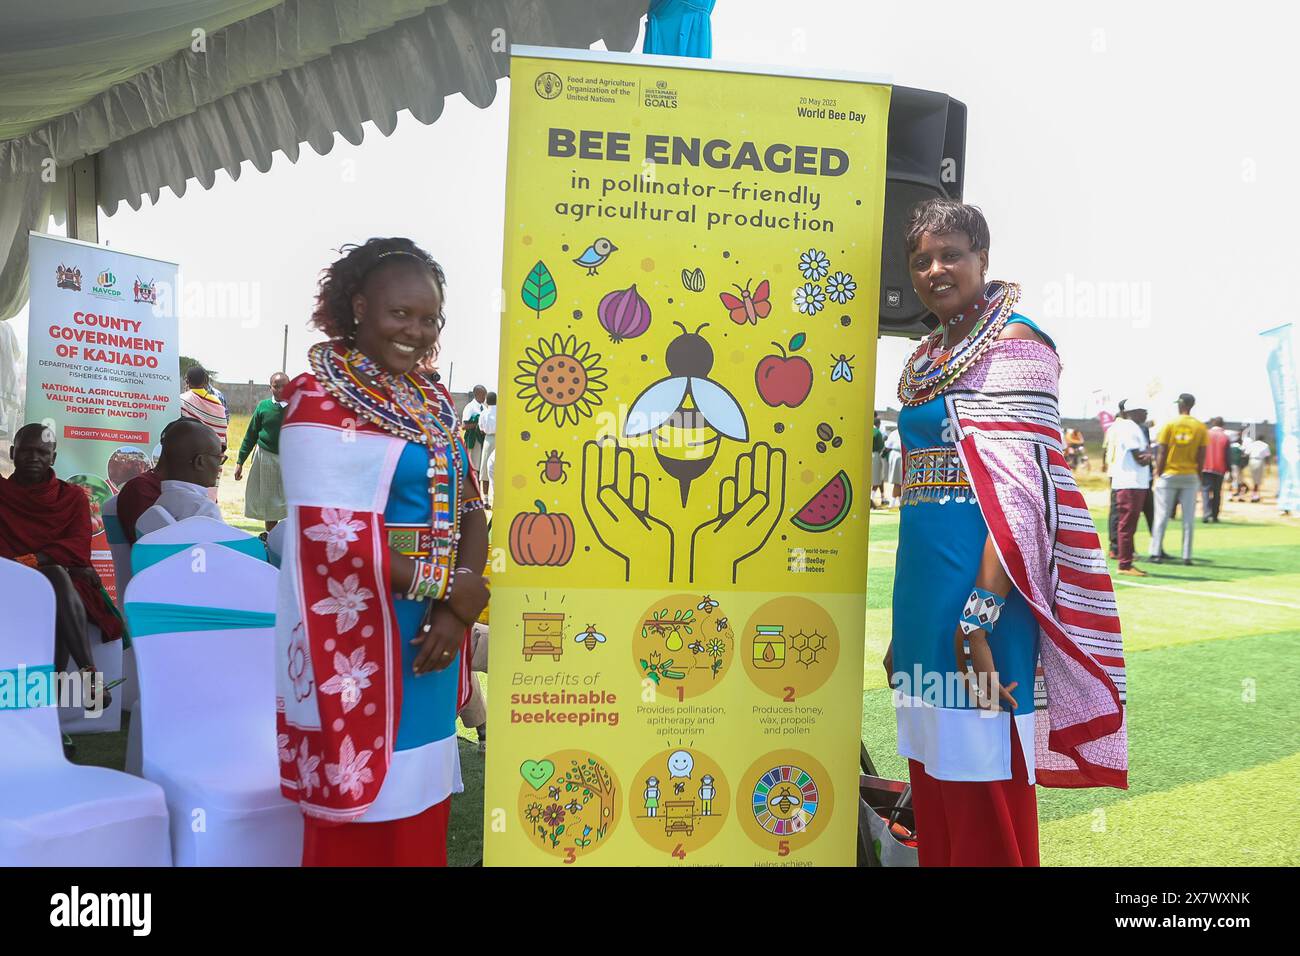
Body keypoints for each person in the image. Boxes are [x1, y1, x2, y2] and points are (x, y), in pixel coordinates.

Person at [883, 200, 1127, 867]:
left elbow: (1024, 504)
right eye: (922, 259)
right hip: (924, 605)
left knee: (985, 788)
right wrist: (903, 631)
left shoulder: (1019, 345)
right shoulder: (931, 353)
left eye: (951, 254)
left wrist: (977, 621)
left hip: (982, 609)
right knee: (935, 785)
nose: (935, 269)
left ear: (983, 259)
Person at [276, 237, 489, 867]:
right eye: (401, 314)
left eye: (430, 320)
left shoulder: (431, 401)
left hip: (429, 634)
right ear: (360, 306)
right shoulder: (316, 398)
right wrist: (448, 588)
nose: (417, 332)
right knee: (360, 817)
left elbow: (472, 505)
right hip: (355, 632)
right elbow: (328, 532)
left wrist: (458, 607)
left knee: (418, 809)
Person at [0, 423, 123, 701]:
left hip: (60, 580)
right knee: (57, 577)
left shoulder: (72, 497)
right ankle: (87, 678)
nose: (34, 458)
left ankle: (53, 709)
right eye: (26, 451)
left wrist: (35, 559)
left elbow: (78, 546)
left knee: (55, 582)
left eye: (42, 452)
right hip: (8, 576)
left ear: (53, 458)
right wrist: (29, 562)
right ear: (12, 453)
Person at [133, 419, 225, 538]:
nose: (220, 466)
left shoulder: (162, 503)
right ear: (200, 462)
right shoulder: (204, 510)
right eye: (219, 458)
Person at [1149, 394, 1207, 565]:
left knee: (1161, 515)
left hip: (1169, 474)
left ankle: (1155, 552)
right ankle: (1186, 555)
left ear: (1180, 405)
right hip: (1190, 475)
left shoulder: (1170, 424)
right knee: (1188, 518)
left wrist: (1158, 473)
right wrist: (1199, 475)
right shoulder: (1200, 427)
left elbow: (1162, 451)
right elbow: (1201, 455)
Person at [233, 372, 290, 532]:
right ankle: (271, 539)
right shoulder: (263, 407)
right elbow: (251, 434)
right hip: (266, 458)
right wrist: (240, 461)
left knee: (291, 502)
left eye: (284, 386)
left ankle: (288, 541)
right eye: (276, 386)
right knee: (270, 503)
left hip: (290, 460)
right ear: (270, 387)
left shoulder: (297, 407)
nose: (280, 390)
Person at [1107, 401, 1152, 576]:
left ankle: (1126, 560)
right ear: (1135, 411)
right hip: (1130, 481)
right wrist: (1150, 454)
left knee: (1128, 524)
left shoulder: (1128, 426)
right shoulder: (1130, 428)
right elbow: (1140, 458)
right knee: (1127, 524)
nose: (1146, 415)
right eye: (1144, 410)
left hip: (1132, 482)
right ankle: (1125, 564)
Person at [180, 364, 228, 504]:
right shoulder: (218, 404)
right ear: (206, 382)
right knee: (206, 503)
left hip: (189, 460)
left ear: (187, 381)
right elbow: (221, 434)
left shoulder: (182, 400)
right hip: (211, 460)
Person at [1201, 417, 1229, 523]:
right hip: (1219, 468)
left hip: (1205, 467)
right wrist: (1229, 469)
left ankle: (1206, 514)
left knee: (1205, 491)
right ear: (1223, 424)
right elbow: (1227, 456)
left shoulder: (1205, 434)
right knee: (1217, 492)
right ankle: (1215, 516)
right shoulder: (1225, 437)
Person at [478, 391, 497, 494]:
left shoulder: (484, 412)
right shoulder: (502, 411)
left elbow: (481, 429)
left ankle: (485, 500)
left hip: (489, 439)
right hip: (500, 439)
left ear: (487, 401)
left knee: (485, 468)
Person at [1244, 432, 1271, 503]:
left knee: (1254, 479)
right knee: (1257, 480)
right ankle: (1255, 496)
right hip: (1259, 461)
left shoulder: (1252, 444)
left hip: (1251, 460)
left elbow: (1246, 454)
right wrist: (1268, 465)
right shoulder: (1265, 445)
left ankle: (1255, 495)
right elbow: (1267, 456)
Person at [883, 423, 903, 508]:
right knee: (897, 480)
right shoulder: (895, 433)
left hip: (899, 454)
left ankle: (898, 501)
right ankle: (893, 501)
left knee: (901, 480)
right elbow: (888, 446)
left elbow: (887, 445)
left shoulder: (896, 432)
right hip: (897, 455)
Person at [871, 416, 886, 508]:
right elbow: (881, 447)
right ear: (879, 424)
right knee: (877, 478)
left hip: (867, 455)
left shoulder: (868, 430)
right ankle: (871, 499)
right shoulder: (877, 432)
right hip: (875, 455)